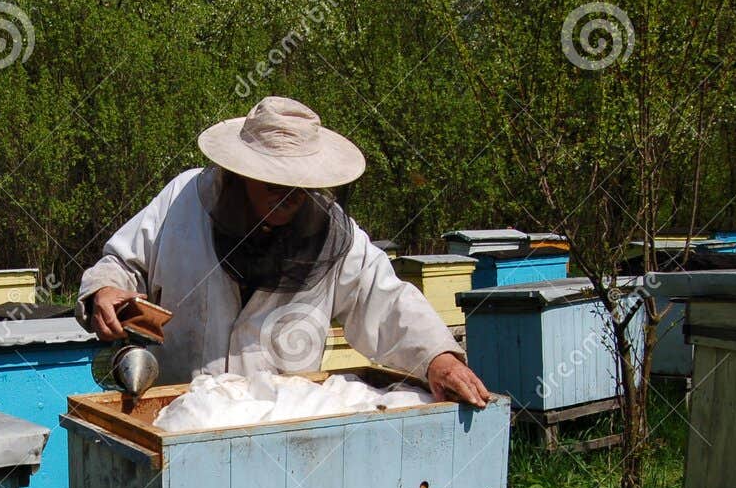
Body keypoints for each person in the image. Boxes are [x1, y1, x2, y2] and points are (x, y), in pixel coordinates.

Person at [77, 97, 489, 405]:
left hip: (277, 423)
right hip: (178, 412)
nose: (288, 197)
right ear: (239, 174)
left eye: (298, 186)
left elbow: (382, 297)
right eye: (272, 182)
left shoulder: (332, 233)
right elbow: (120, 264)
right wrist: (105, 291)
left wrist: (437, 357)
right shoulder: (182, 201)